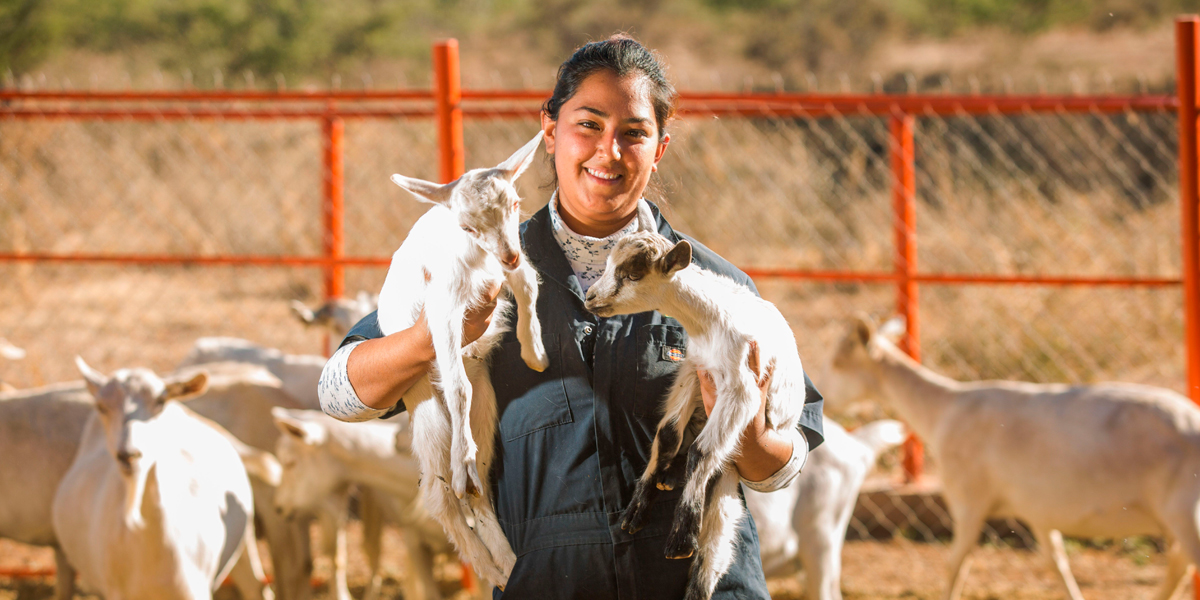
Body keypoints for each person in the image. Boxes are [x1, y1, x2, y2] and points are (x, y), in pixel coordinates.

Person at [318, 34, 825, 600]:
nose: (609, 151)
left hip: (700, 586)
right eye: (589, 124)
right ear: (549, 129)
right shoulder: (472, 264)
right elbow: (339, 393)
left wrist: (748, 429)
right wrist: (434, 337)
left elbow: (780, 467)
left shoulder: (718, 289)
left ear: (658, 148)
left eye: (634, 133)